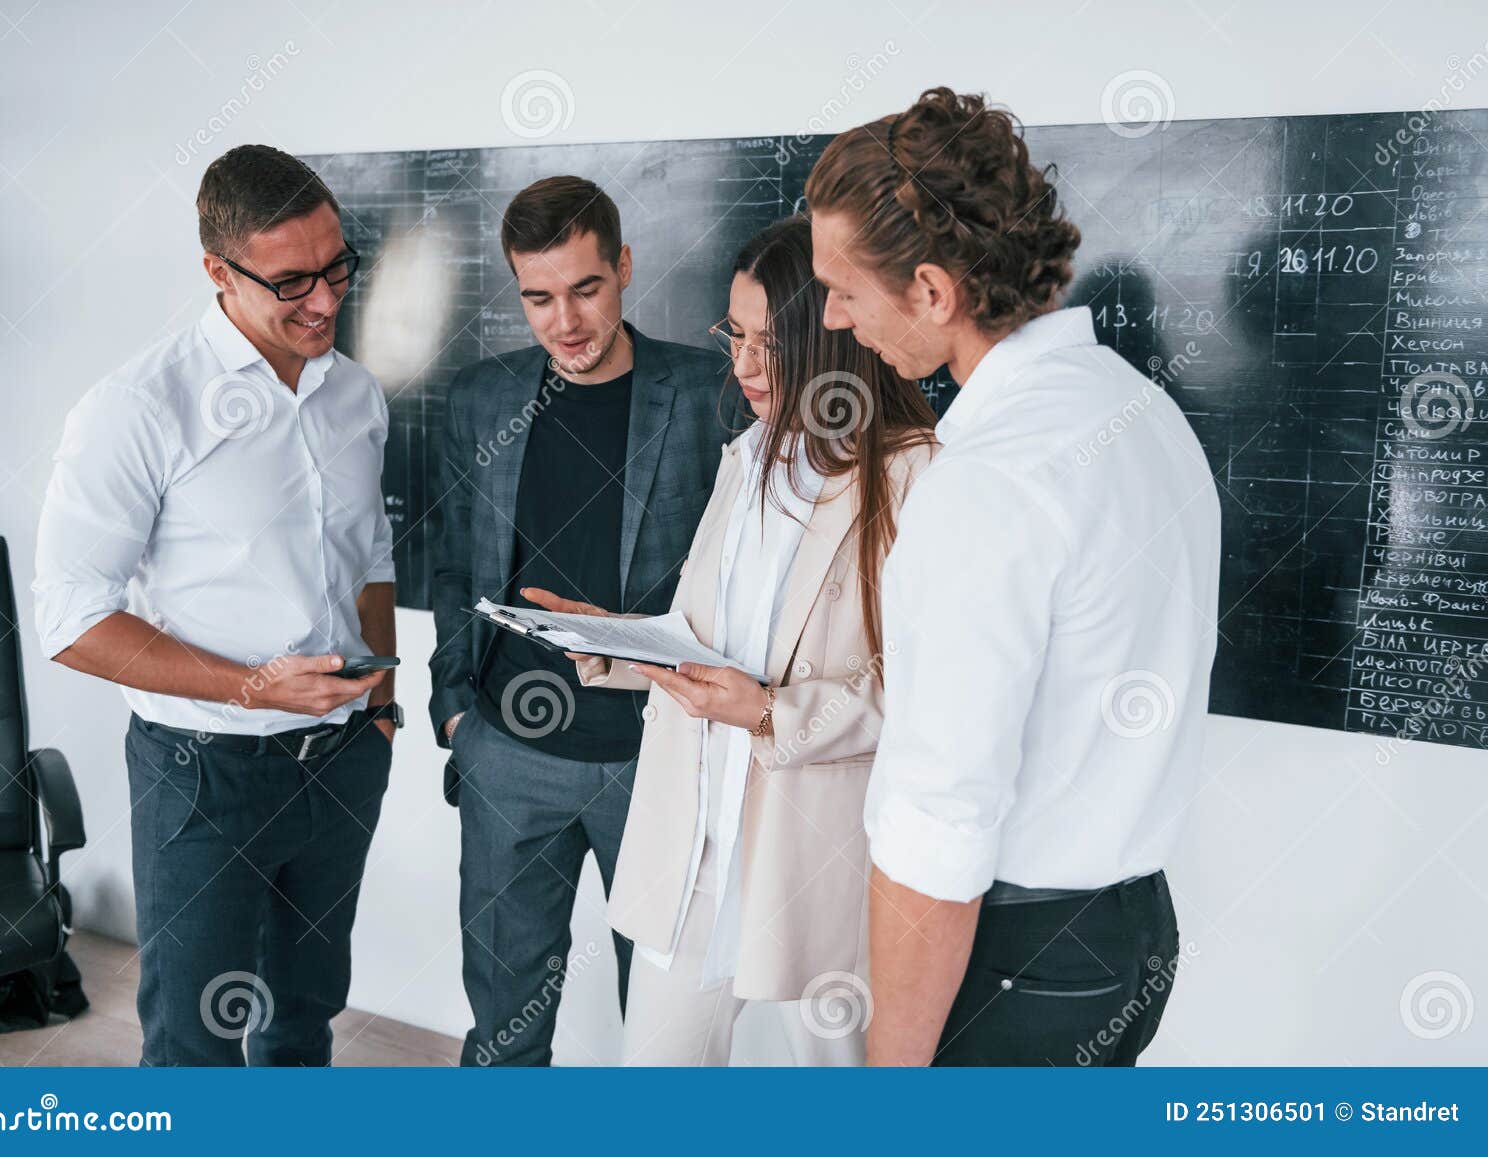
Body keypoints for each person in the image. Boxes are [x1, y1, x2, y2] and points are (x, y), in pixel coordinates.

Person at [805, 88, 1222, 1066]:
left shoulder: (985, 487)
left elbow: (937, 830)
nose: (831, 314)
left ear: (933, 292)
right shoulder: (1142, 410)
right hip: (1130, 937)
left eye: (845, 288)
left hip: (1016, 964)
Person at [526, 214, 937, 1065]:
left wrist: (771, 713)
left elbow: (928, 697)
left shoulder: (913, 476)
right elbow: (709, 644)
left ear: (835, 335)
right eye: (735, 335)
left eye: (769, 344)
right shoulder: (747, 456)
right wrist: (623, 645)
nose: (744, 365)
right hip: (695, 847)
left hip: (815, 857)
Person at [33, 145, 401, 1066]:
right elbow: (72, 620)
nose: (325, 301)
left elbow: (371, 555)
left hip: (343, 761)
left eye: (338, 267)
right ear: (217, 271)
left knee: (304, 1017)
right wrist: (251, 688)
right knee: (195, 1040)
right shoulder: (136, 408)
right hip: (204, 776)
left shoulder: (354, 393)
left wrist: (384, 703)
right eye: (292, 281)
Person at [428, 175, 736, 1067]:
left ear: (625, 267)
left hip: (658, 760)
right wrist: (457, 713)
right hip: (505, 758)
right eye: (538, 296)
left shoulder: (712, 392)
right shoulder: (481, 399)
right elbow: (453, 564)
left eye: (586, 288)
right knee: (502, 1027)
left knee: (669, 1039)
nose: (564, 320)